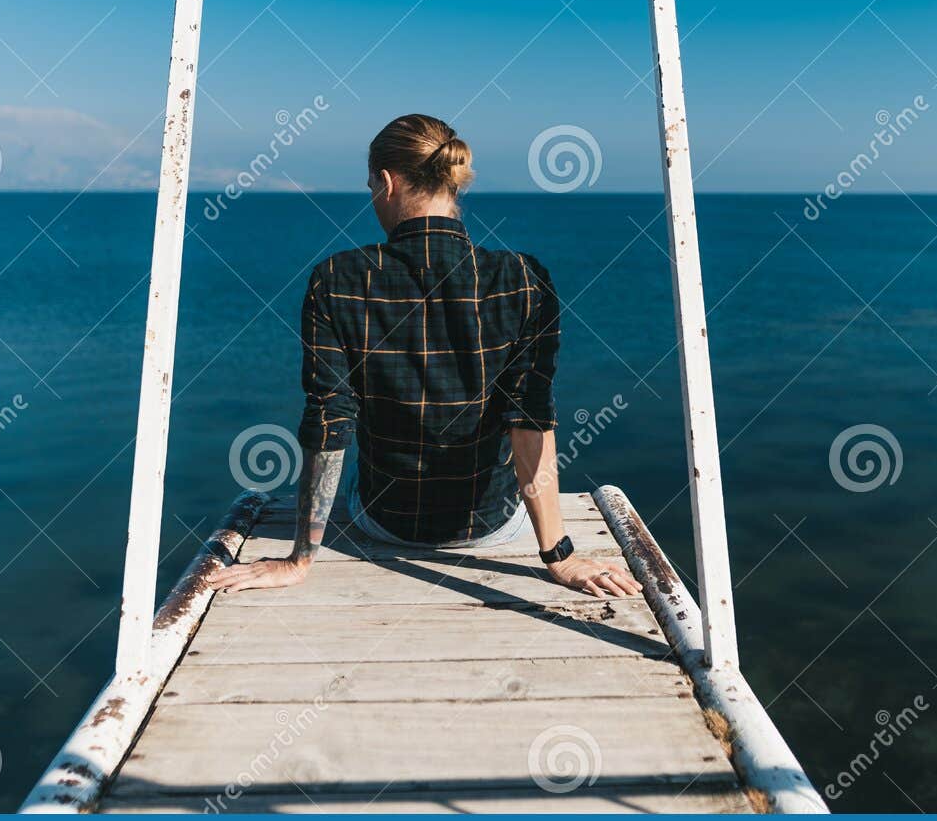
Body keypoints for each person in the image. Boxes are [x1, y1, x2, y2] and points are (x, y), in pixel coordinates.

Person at [210, 114, 641, 598]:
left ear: (387, 182)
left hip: (386, 522)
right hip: (491, 525)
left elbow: (329, 419)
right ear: (453, 181)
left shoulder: (338, 278)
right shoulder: (523, 277)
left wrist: (298, 559)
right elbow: (530, 417)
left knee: (360, 468)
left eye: (371, 184)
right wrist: (559, 557)